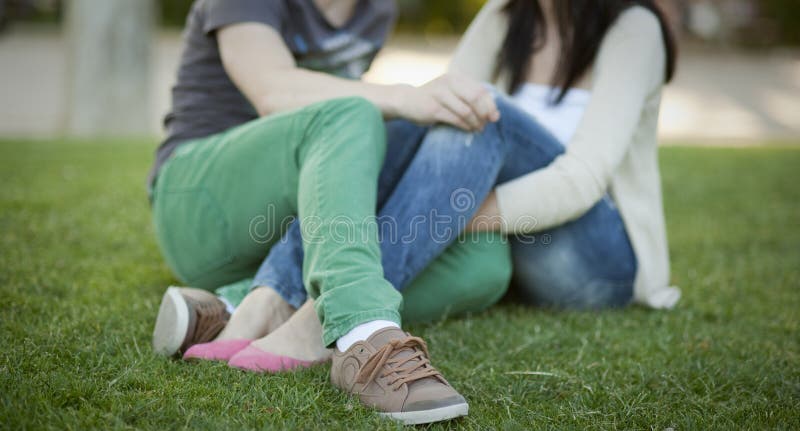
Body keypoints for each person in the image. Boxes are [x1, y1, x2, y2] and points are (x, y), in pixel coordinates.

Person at [148, 0, 513, 425]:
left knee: (485, 262)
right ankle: (359, 328)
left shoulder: (375, 9)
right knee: (354, 113)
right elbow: (272, 89)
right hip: (199, 205)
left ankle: (252, 301)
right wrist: (405, 96)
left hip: (289, 219)